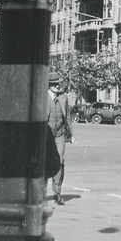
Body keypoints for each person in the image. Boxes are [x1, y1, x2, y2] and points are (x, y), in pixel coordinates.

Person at [47, 73, 74, 204]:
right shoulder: (42, 97)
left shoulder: (63, 97)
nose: (57, 86)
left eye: (58, 83)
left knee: (59, 161)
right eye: (54, 84)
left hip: (60, 133)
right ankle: (40, 193)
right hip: (46, 133)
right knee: (44, 161)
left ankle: (57, 192)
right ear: (49, 85)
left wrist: (71, 134)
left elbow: (68, 117)